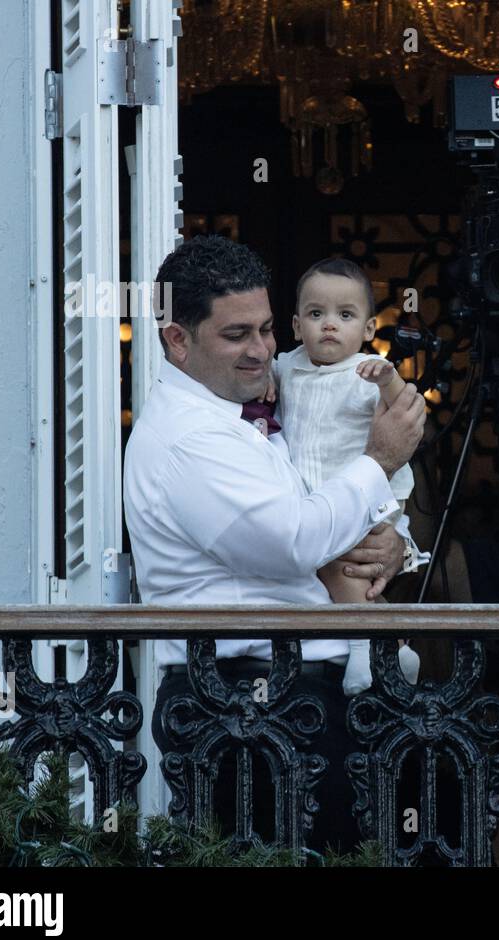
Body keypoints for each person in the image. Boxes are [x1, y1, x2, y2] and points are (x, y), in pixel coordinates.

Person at [124, 235, 426, 853]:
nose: (262, 350)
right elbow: (294, 540)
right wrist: (379, 460)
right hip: (244, 709)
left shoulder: (235, 416)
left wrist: (394, 546)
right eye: (237, 335)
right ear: (177, 338)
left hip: (292, 703)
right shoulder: (192, 440)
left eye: (265, 329)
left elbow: (318, 513)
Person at [260, 256, 426, 694]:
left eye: (345, 315)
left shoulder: (366, 373)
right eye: (317, 314)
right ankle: (389, 642)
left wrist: (388, 380)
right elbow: (265, 382)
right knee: (336, 570)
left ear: (369, 330)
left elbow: (404, 411)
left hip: (362, 498)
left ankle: (366, 645)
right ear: (296, 325)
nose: (329, 325)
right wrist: (267, 383)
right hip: (314, 501)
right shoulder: (288, 365)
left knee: (340, 567)